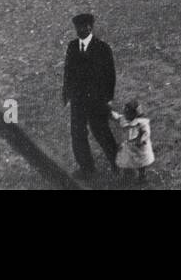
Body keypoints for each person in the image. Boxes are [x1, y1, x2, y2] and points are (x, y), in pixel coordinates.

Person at [61, 12, 118, 178]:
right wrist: (66, 92)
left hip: (96, 100)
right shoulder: (72, 47)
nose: (82, 30)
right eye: (79, 27)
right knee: (78, 133)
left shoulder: (102, 48)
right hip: (78, 100)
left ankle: (117, 163)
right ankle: (86, 167)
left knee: (101, 131)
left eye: (85, 27)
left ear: (90, 27)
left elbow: (110, 75)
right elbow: (68, 71)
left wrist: (108, 98)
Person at [110, 100, 155, 185]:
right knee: (126, 159)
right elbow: (117, 117)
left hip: (139, 147)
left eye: (128, 113)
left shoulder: (142, 122)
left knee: (141, 162)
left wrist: (141, 140)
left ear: (135, 114)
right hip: (128, 146)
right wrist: (110, 113)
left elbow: (146, 133)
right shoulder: (124, 119)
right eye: (125, 112)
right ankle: (126, 175)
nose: (125, 114)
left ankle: (142, 176)